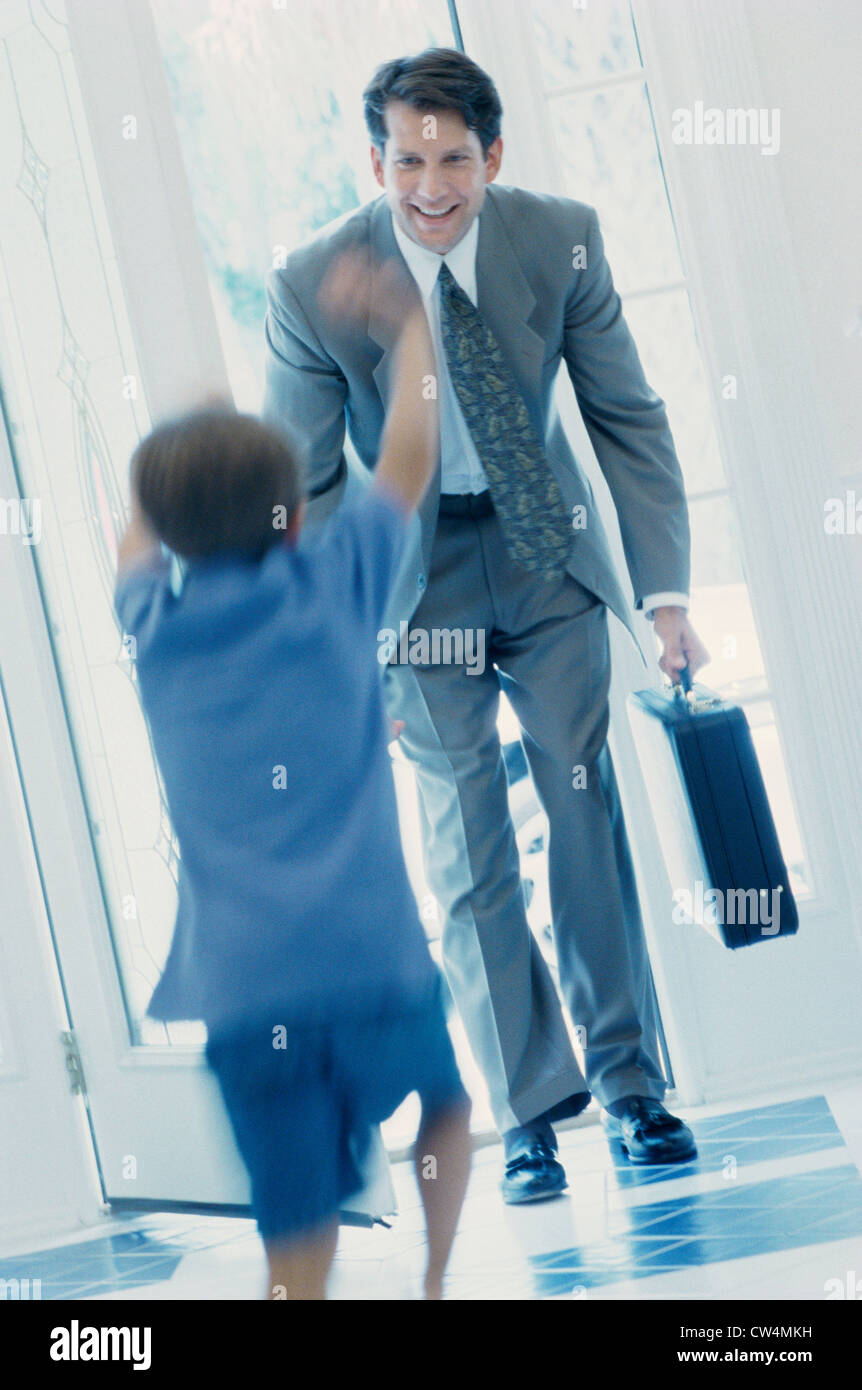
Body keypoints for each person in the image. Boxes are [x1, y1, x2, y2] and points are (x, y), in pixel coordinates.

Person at [262, 47, 711, 1204]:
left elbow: (626, 413)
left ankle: (631, 1091)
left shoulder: (557, 236)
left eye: (453, 157)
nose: (429, 184)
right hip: (414, 584)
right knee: (467, 848)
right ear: (376, 160)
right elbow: (304, 494)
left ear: (492, 154)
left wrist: (663, 596)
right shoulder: (315, 280)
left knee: (580, 807)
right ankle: (525, 1116)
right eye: (405, 159)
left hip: (543, 546)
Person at [113, 263, 472, 1300]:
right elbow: (409, 450)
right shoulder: (336, 580)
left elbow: (135, 530)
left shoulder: (156, 630)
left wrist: (188, 436)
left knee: (294, 1222)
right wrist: (408, 327)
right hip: (369, 957)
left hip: (244, 986)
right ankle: (435, 1280)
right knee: (444, 1106)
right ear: (293, 514)